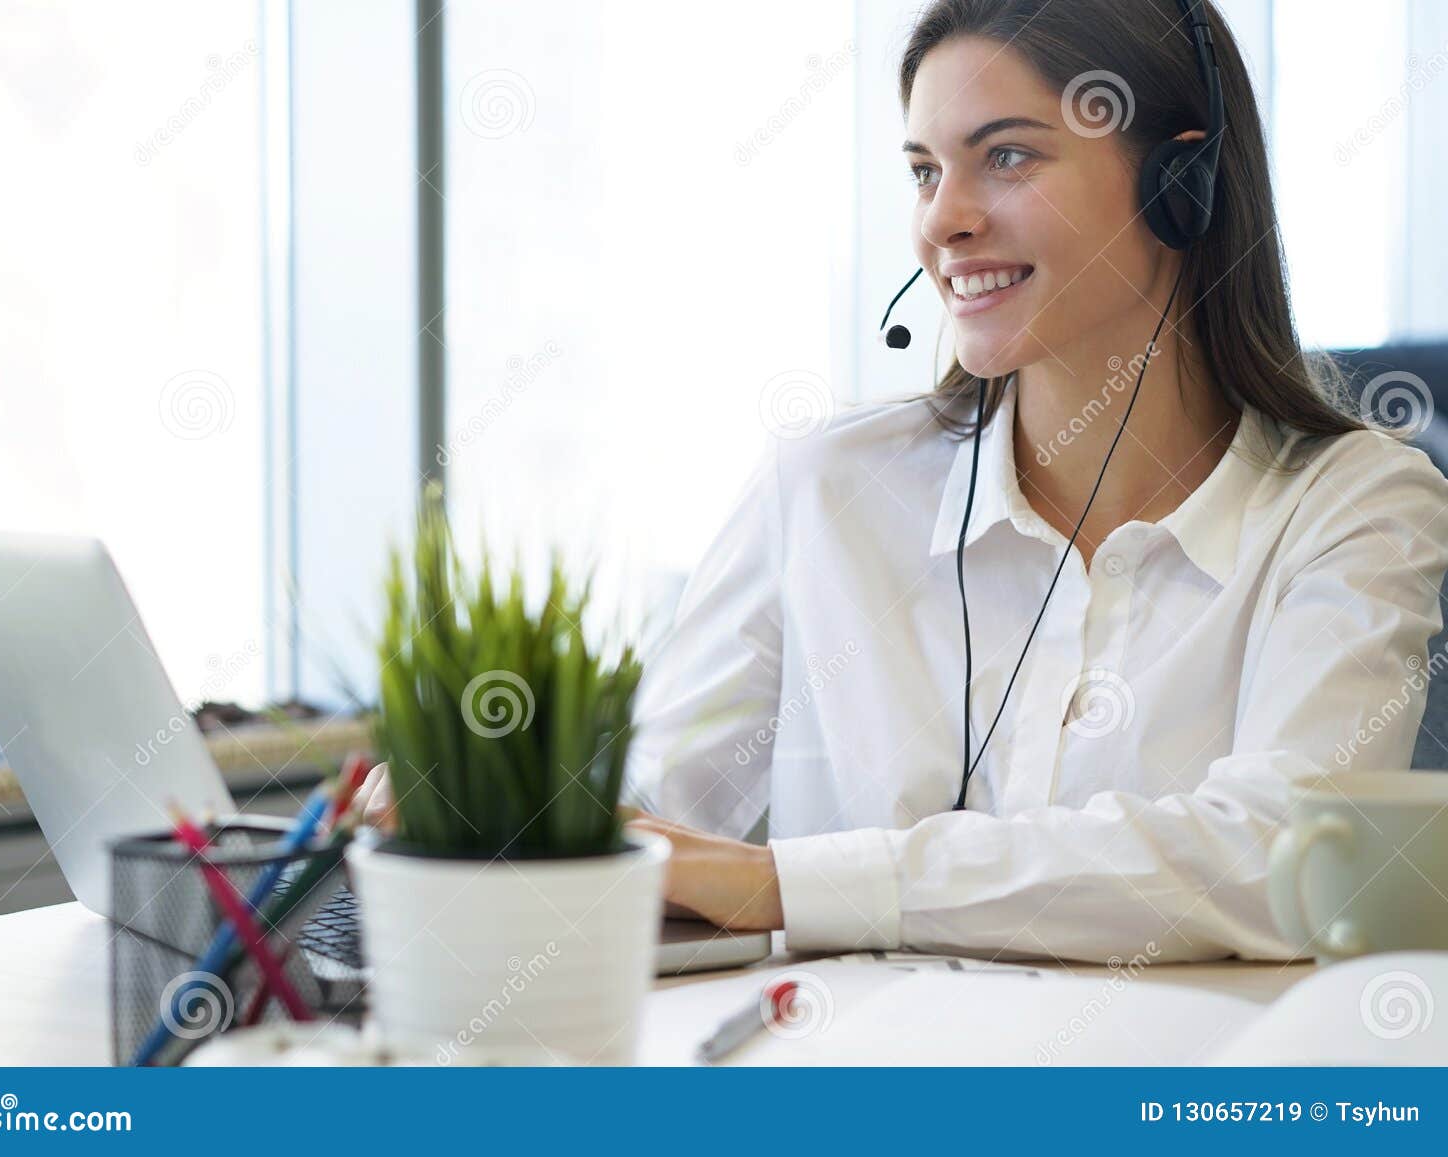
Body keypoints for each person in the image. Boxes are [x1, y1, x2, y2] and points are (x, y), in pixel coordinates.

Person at [615, 0, 1448, 963]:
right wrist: (480, 811)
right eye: (925, 170)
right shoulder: (827, 488)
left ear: (1183, 181)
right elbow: (642, 828)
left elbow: (1286, 857)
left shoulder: (1355, 507)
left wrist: (787, 883)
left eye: (1006, 156)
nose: (943, 220)